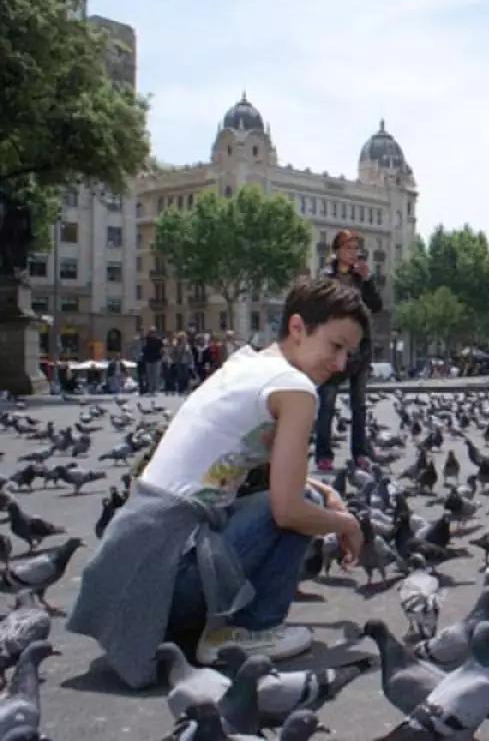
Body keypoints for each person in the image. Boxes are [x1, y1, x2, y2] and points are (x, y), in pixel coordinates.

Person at [67, 277, 368, 688]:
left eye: (348, 353)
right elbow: (287, 508)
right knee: (300, 501)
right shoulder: (296, 388)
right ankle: (248, 628)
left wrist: (325, 491)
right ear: (298, 328)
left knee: (310, 493)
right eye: (336, 346)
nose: (340, 364)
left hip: (133, 573)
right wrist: (348, 525)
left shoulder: (246, 364)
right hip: (169, 574)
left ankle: (220, 626)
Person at [314, 230, 384, 470]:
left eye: (356, 248)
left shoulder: (360, 276)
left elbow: (376, 306)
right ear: (337, 250)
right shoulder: (325, 277)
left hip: (360, 347)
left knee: (359, 404)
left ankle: (360, 452)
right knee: (327, 403)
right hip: (334, 347)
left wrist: (368, 280)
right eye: (349, 248)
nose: (354, 253)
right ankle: (323, 454)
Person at [141, 327, 164, 395]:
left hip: (156, 359)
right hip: (148, 359)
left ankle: (155, 388)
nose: (152, 333)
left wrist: (161, 356)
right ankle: (151, 389)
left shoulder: (158, 340)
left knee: (156, 375)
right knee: (149, 375)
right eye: (151, 332)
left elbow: (162, 349)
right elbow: (143, 348)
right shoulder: (146, 340)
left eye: (153, 332)